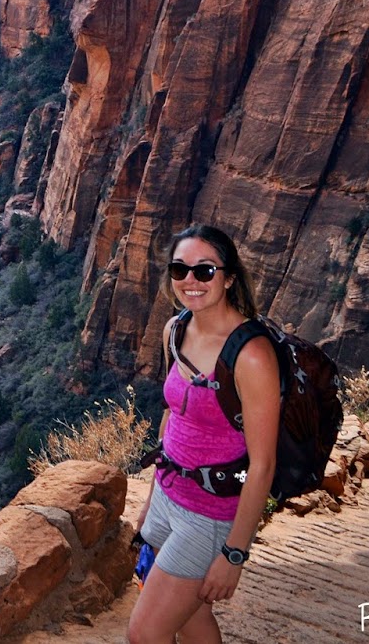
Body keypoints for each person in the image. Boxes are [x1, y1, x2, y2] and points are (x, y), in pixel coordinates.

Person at [129, 225, 279, 644]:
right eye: (180, 270)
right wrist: (151, 500)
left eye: (205, 271)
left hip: (210, 515)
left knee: (144, 633)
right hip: (167, 495)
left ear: (229, 277)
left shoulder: (251, 355)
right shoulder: (175, 331)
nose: (190, 282)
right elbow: (173, 417)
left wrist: (234, 553)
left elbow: (263, 465)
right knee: (190, 619)